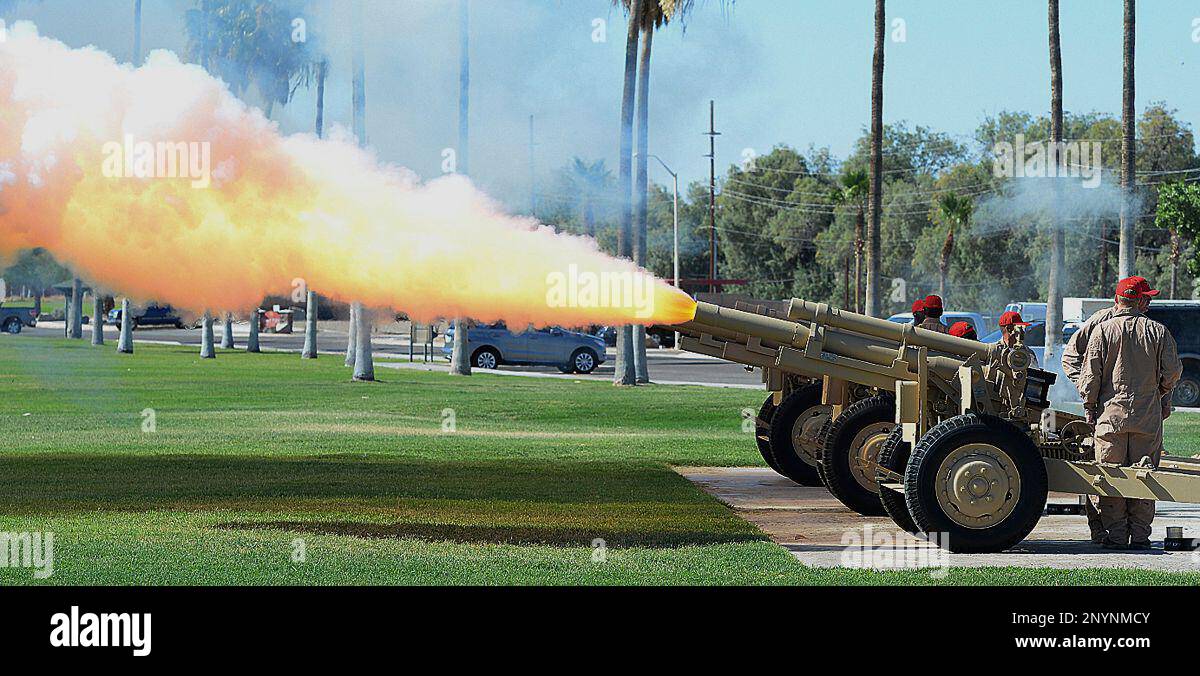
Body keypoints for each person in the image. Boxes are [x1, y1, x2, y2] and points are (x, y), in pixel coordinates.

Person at [1077, 276, 1183, 550]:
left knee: (1111, 477)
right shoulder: (1158, 331)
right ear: (1138, 300)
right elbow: (1172, 371)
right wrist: (1159, 392)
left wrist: (1090, 407)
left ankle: (1115, 536)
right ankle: (1139, 537)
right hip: (1147, 416)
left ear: (1119, 299)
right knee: (1145, 476)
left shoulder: (1102, 331)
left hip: (1110, 417)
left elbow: (1090, 377)